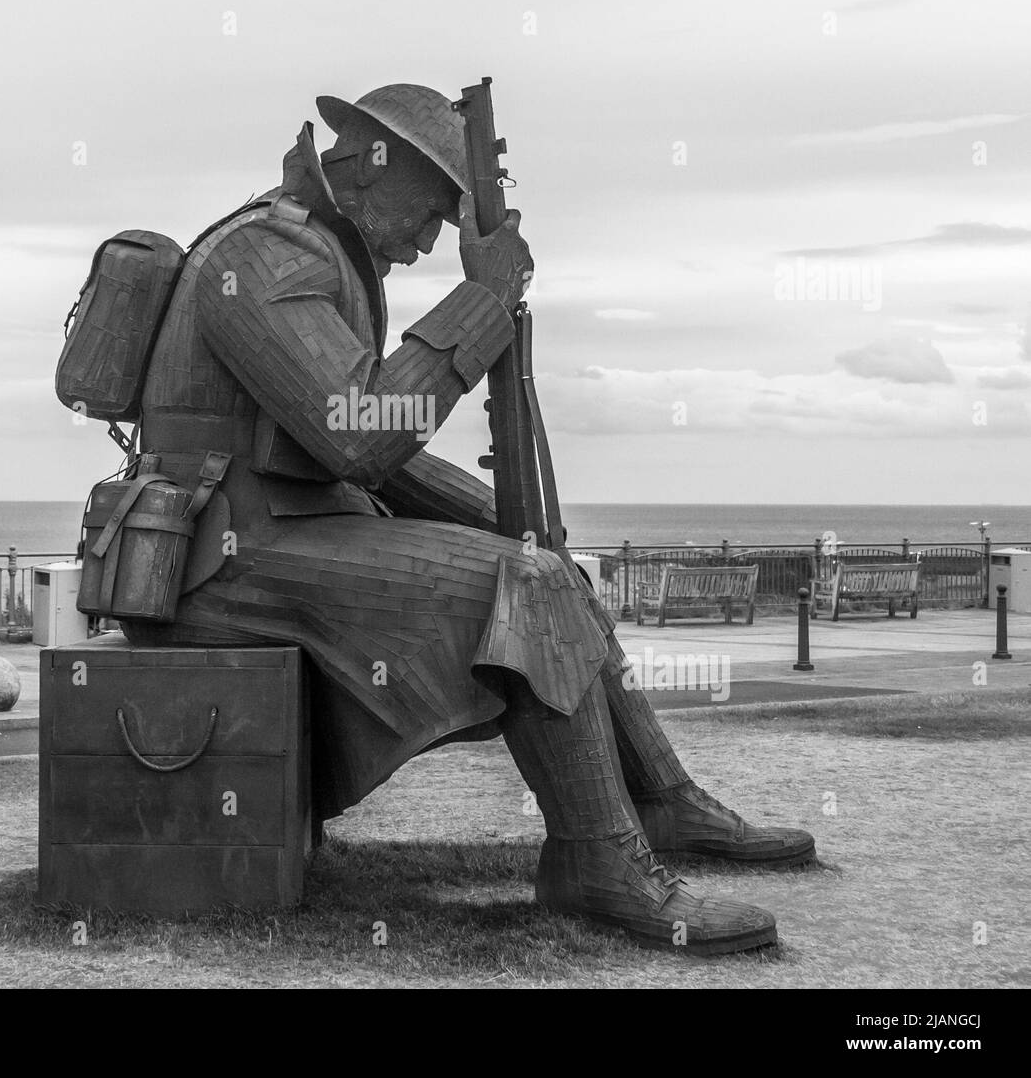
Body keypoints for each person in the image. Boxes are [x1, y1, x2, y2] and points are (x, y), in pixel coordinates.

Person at [125, 84, 814, 954]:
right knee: (526, 583)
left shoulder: (323, 255)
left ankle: (660, 801)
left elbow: (341, 449)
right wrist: (480, 301)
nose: (428, 242)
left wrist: (505, 519)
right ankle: (598, 862)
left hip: (281, 535)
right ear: (370, 162)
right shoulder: (265, 253)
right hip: (219, 564)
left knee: (544, 563)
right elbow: (357, 436)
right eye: (430, 212)